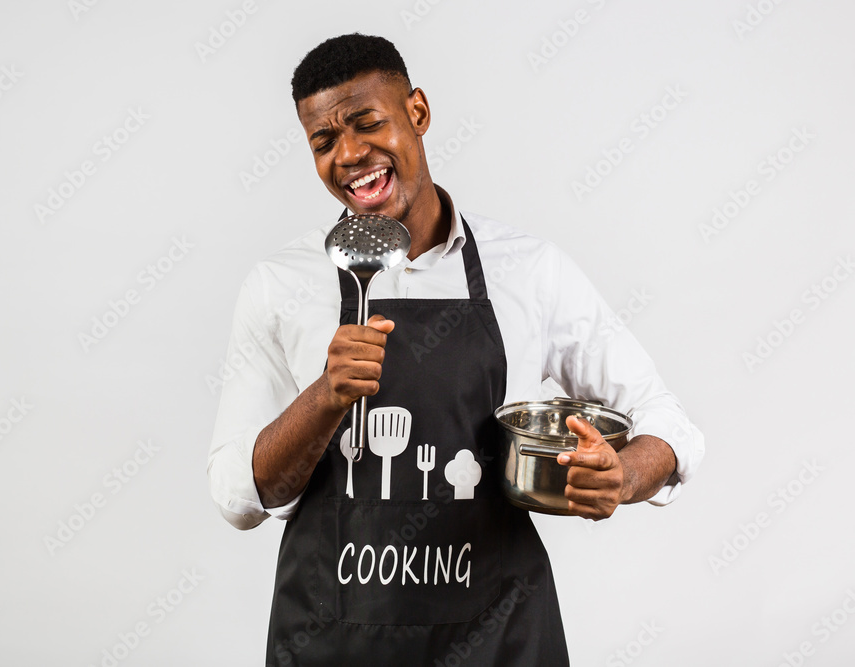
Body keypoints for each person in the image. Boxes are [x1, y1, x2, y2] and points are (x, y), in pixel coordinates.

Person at [208, 33, 704, 667]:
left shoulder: (529, 271)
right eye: (324, 141)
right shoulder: (280, 285)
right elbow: (236, 497)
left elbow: (668, 421)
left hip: (499, 640)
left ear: (418, 112)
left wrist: (625, 476)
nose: (351, 155)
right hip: (332, 642)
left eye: (367, 123)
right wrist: (324, 396)